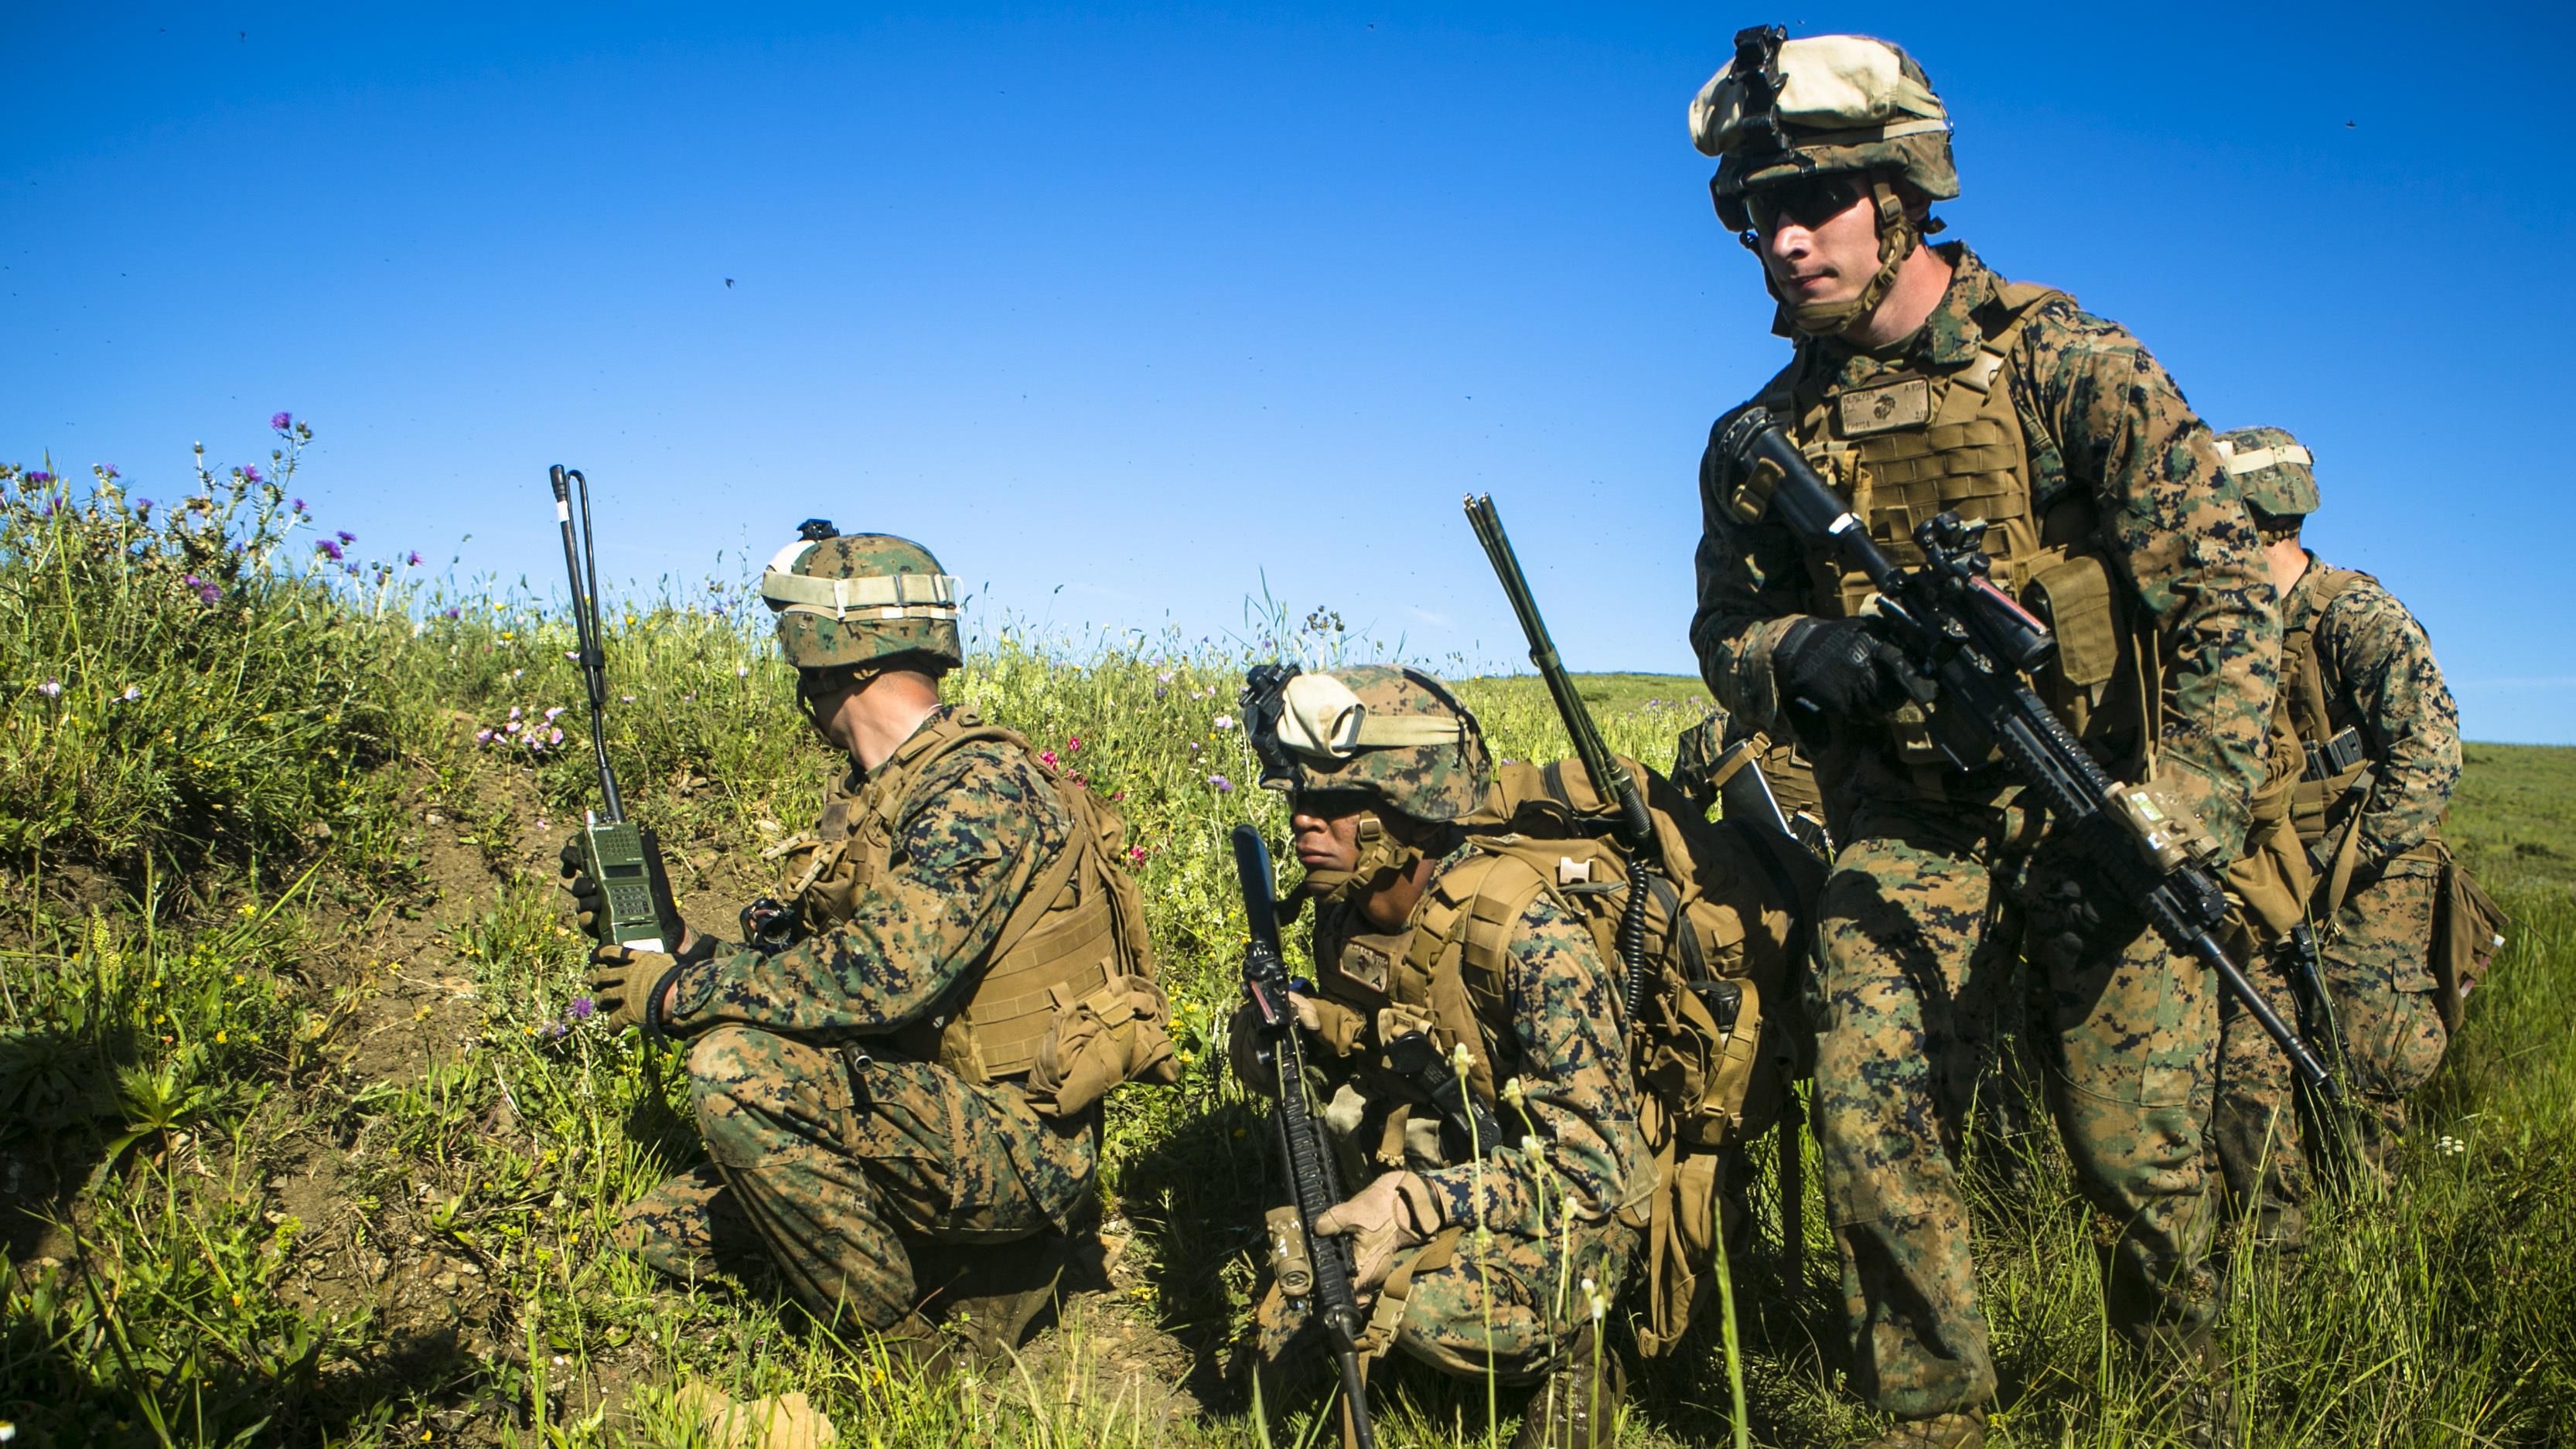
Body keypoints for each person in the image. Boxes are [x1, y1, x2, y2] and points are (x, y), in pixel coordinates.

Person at [1684, 32, 2281, 1446]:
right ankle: (1933, 1415)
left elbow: (2217, 595)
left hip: (2102, 810)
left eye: (1813, 199)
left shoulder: (2070, 365)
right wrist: (1804, 654)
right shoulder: (1761, 440)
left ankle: (2185, 1417)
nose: (1782, 237)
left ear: (1900, 195)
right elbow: (1723, 637)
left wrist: (2182, 801)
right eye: (1755, 211)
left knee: (2142, 1165)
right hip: (1910, 824)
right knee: (1872, 1124)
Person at [561, 524, 1172, 1374]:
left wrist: (677, 994)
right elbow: (819, 976)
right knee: (654, 1234)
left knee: (735, 1067)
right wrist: (677, 941)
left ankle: (906, 1361)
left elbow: (875, 980)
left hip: (1017, 1147)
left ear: (824, 654)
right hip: (927, 1110)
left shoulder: (980, 790)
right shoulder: (890, 792)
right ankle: (936, 1269)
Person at [1232, 665, 1652, 1449]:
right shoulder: (1342, 910)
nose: (1301, 825)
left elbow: (1594, 1169)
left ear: (1412, 816)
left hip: (1560, 1207)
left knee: (1412, 1303)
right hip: (1438, 1157)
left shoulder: (1526, 938)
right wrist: (1283, 1030)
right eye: (1298, 801)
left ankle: (1585, 1348)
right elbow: (1378, 1035)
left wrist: (1422, 1203)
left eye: (1333, 805)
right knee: (1306, 1283)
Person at [2206, 427, 2462, 1212]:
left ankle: (2366, 1249)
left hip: (2369, 879)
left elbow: (2429, 756)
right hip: (2266, 878)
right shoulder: (2226, 629)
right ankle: (2280, 1258)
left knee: (2360, 1075)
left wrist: (2330, 867)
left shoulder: (2354, 614)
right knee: (2246, 1072)